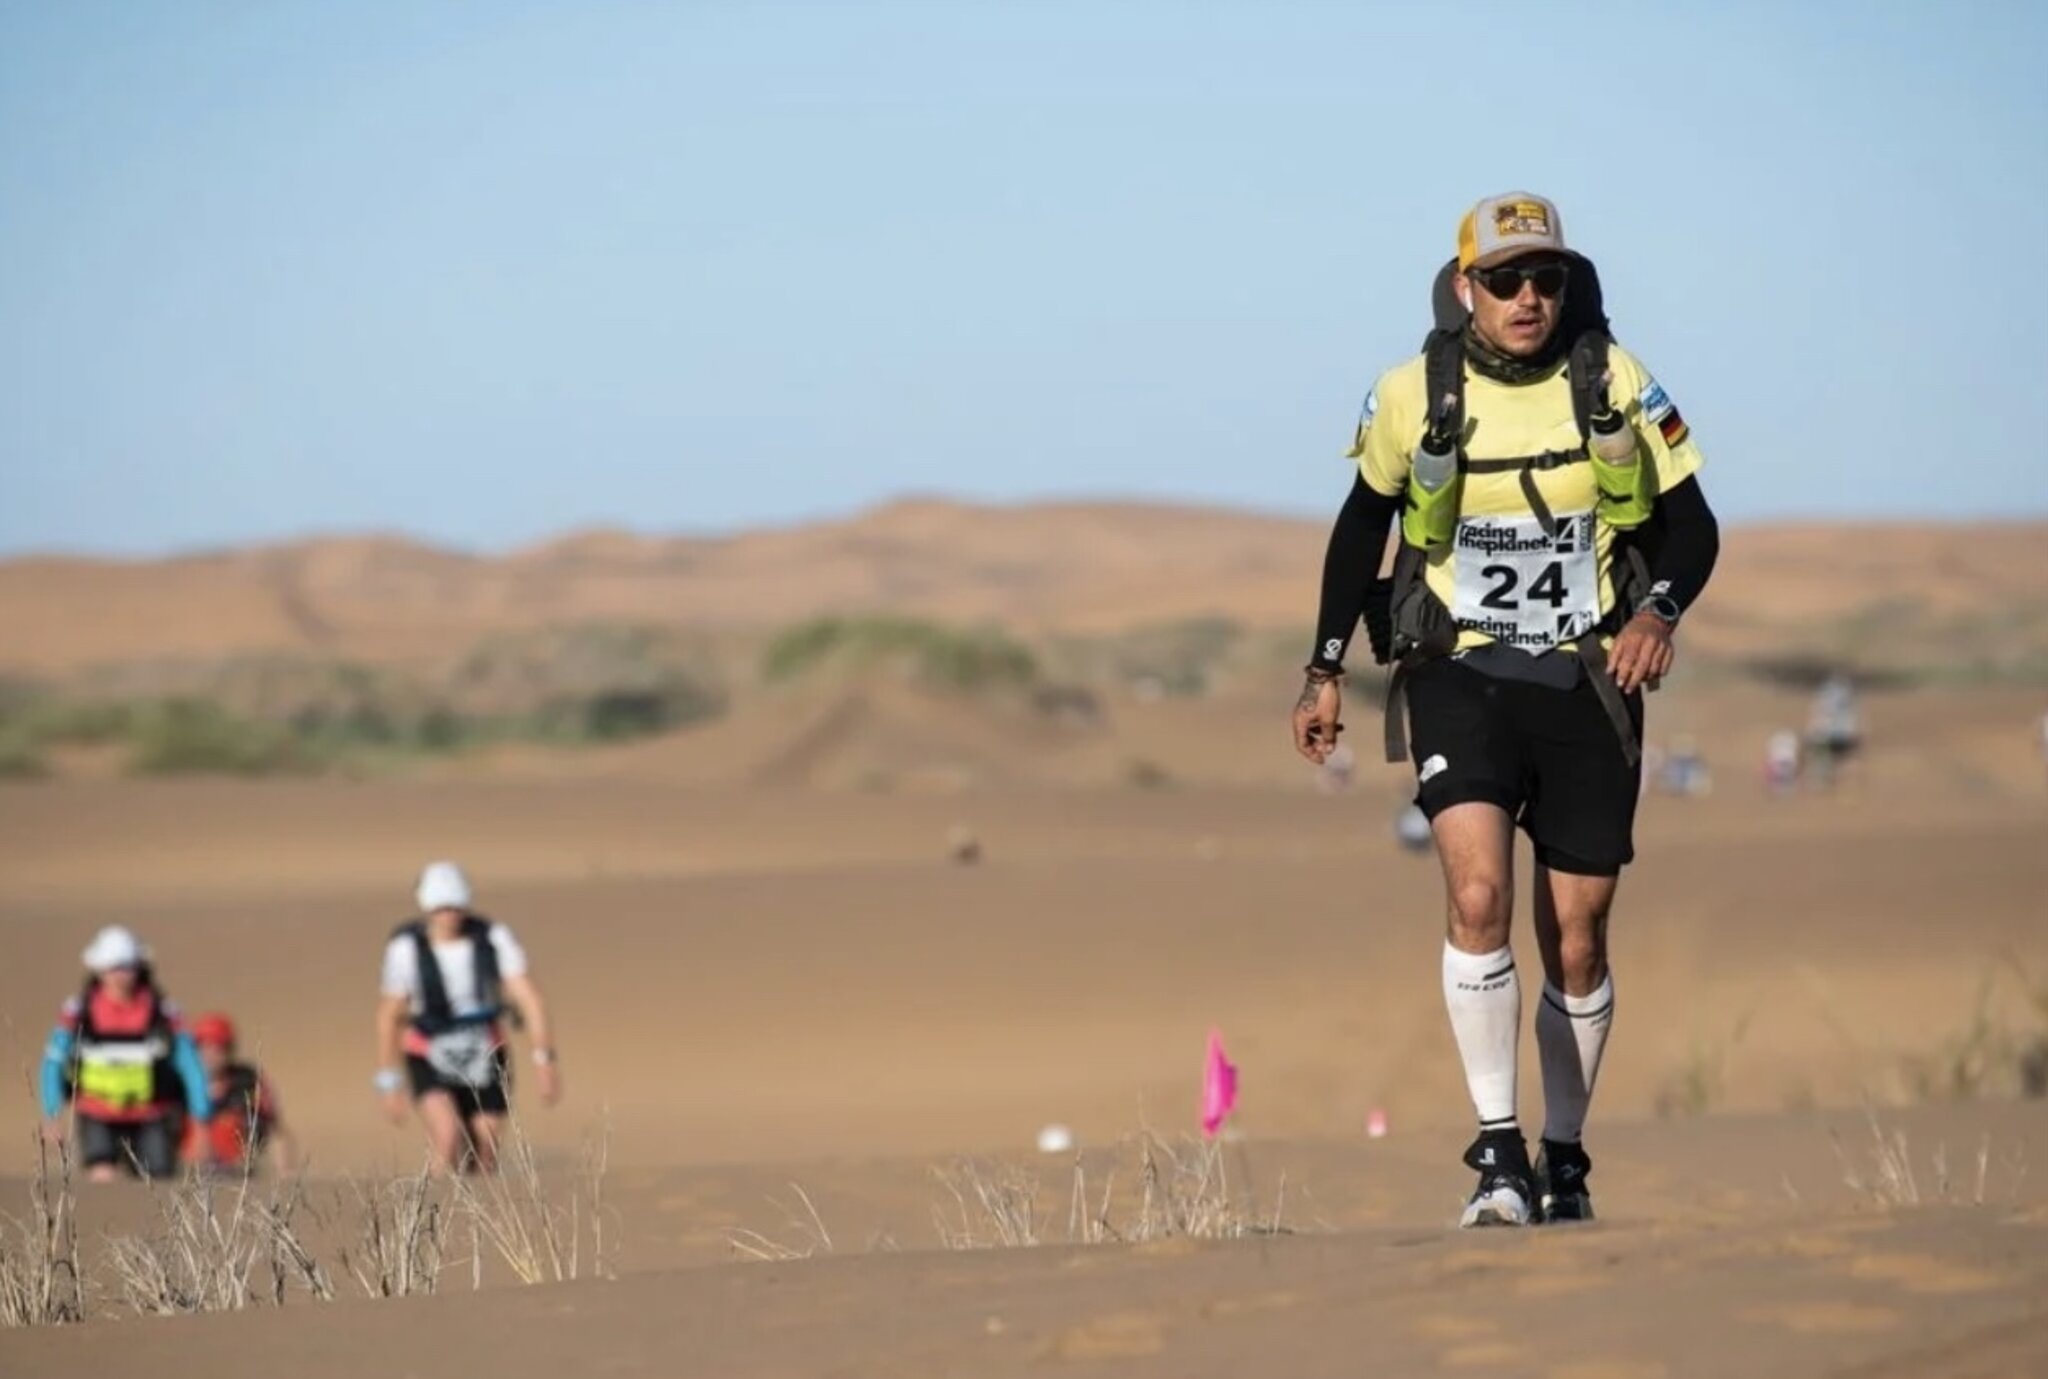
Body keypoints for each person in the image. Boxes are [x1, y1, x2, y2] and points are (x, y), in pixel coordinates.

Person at [1292, 192, 1720, 1226]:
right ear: (1462, 289)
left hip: (1587, 679)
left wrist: (1656, 611)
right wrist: (1322, 666)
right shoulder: (1410, 393)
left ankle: (1561, 1156)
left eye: (1546, 279)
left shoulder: (1612, 381)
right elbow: (1360, 530)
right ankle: (1495, 1157)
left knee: (1576, 936)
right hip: (1458, 671)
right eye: (1504, 280)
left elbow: (1691, 526)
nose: (1528, 298)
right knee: (1476, 896)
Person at [376, 861, 561, 1172]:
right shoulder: (406, 948)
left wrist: (544, 1060)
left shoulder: (492, 939)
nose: (449, 915)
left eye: (455, 906)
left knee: (486, 1144)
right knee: (446, 1136)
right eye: (441, 908)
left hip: (484, 1047)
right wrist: (388, 1082)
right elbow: (389, 1014)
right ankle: (429, 1211)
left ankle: (480, 1212)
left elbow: (530, 999)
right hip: (428, 1049)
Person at [39, 926, 214, 1182]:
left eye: (126, 966)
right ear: (99, 970)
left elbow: (190, 1065)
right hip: (96, 1113)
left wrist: (201, 1119)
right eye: (113, 967)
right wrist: (52, 1115)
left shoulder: (163, 1012)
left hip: (153, 1115)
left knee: (158, 1188)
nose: (120, 975)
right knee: (102, 1179)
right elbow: (53, 1062)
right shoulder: (78, 1012)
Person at [183, 1013, 297, 1177]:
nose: (211, 1055)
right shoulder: (181, 1083)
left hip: (237, 1170)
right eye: (205, 1047)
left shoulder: (247, 1081)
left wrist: (286, 1173)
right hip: (191, 1173)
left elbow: (276, 1129)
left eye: (219, 1047)